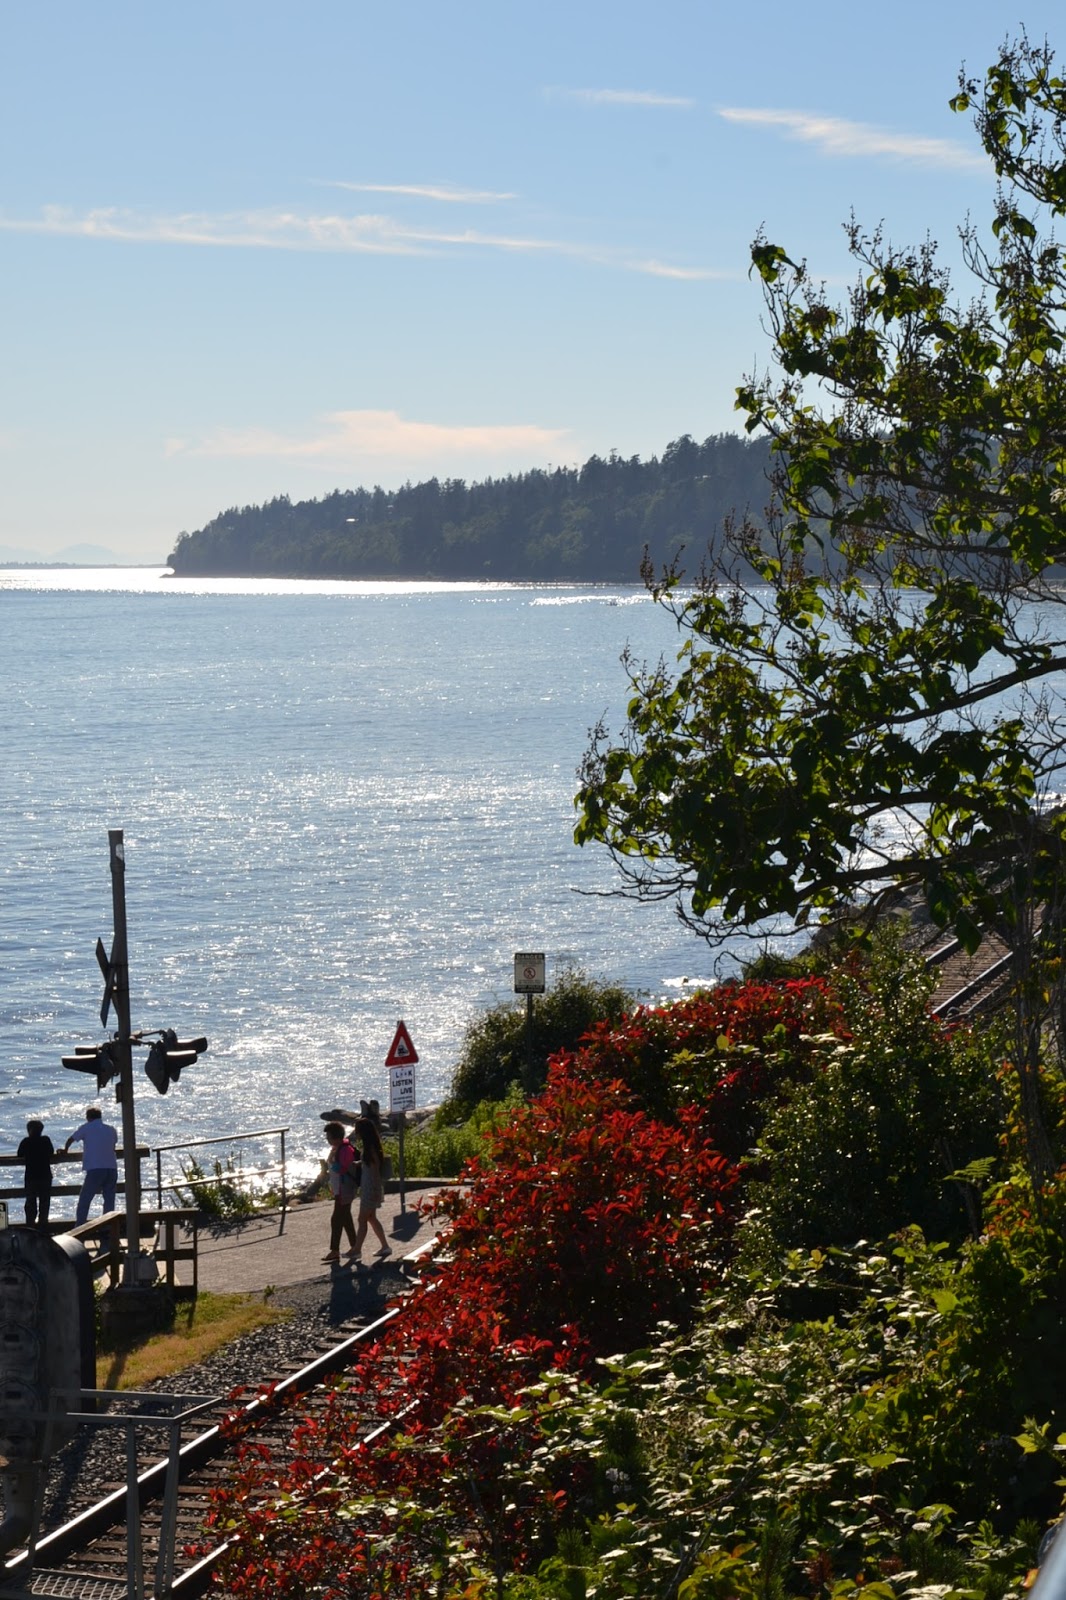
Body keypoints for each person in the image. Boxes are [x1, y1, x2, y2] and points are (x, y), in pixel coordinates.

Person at [63, 1106, 119, 1226]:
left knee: (85, 1200)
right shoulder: (111, 1129)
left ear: (88, 1118)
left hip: (95, 1169)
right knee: (109, 1201)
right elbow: (113, 1145)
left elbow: (71, 1139)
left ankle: (79, 1228)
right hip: (111, 1167)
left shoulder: (86, 1127)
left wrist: (65, 1150)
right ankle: (108, 1230)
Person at [351, 1115, 390, 1263]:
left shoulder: (370, 1149)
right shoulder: (371, 1147)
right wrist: (360, 1163)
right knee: (371, 1218)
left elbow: (374, 1171)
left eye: (358, 1131)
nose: (356, 1134)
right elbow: (371, 1164)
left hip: (370, 1187)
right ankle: (385, 1246)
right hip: (369, 1186)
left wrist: (375, 1191)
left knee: (362, 1218)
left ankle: (356, 1250)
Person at [322, 1121, 360, 1264]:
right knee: (345, 1219)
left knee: (336, 1219)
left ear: (336, 1137)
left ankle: (335, 1250)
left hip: (345, 1189)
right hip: (340, 1189)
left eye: (329, 1137)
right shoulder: (337, 1148)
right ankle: (354, 1247)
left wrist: (333, 1159)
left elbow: (343, 1168)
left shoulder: (344, 1150)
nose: (328, 1140)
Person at [17, 1119, 55, 1231]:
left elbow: (19, 1154)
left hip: (31, 1176)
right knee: (44, 1202)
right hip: (45, 1176)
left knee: (30, 1203)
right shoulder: (46, 1140)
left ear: (29, 1130)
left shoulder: (26, 1141)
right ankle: (43, 1227)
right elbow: (51, 1152)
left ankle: (30, 1227)